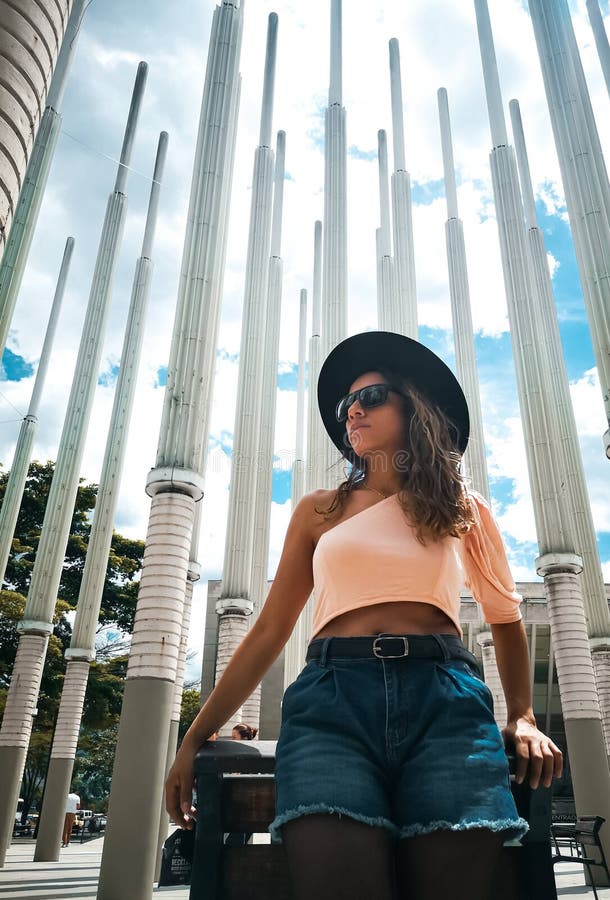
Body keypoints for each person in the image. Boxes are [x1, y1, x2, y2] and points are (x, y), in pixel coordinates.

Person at [166, 331, 563, 900]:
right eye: (345, 404)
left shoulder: (463, 507)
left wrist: (523, 715)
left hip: (445, 701)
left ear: (415, 407)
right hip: (331, 701)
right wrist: (193, 738)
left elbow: (504, 617)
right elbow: (270, 631)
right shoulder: (318, 511)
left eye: (372, 396)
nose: (352, 409)